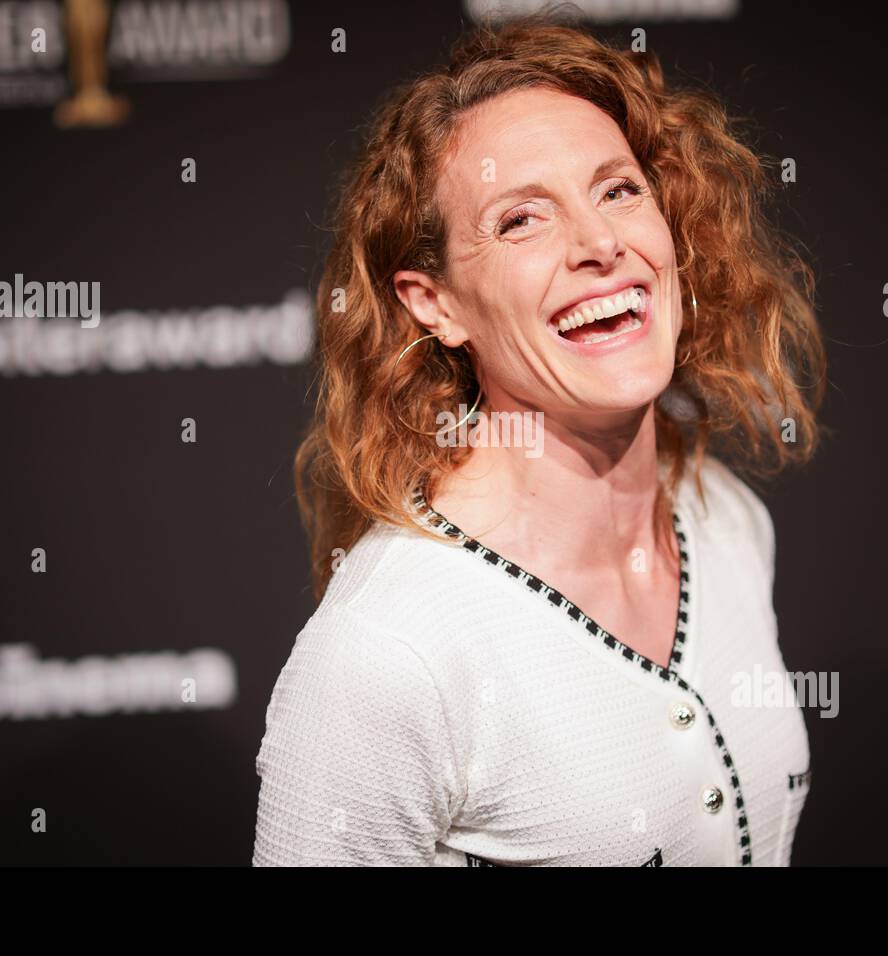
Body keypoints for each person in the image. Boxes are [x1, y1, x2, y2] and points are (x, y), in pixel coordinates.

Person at [253, 8, 827, 866]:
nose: (601, 244)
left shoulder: (729, 521)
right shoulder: (386, 654)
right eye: (521, 220)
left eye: (619, 190)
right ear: (434, 303)